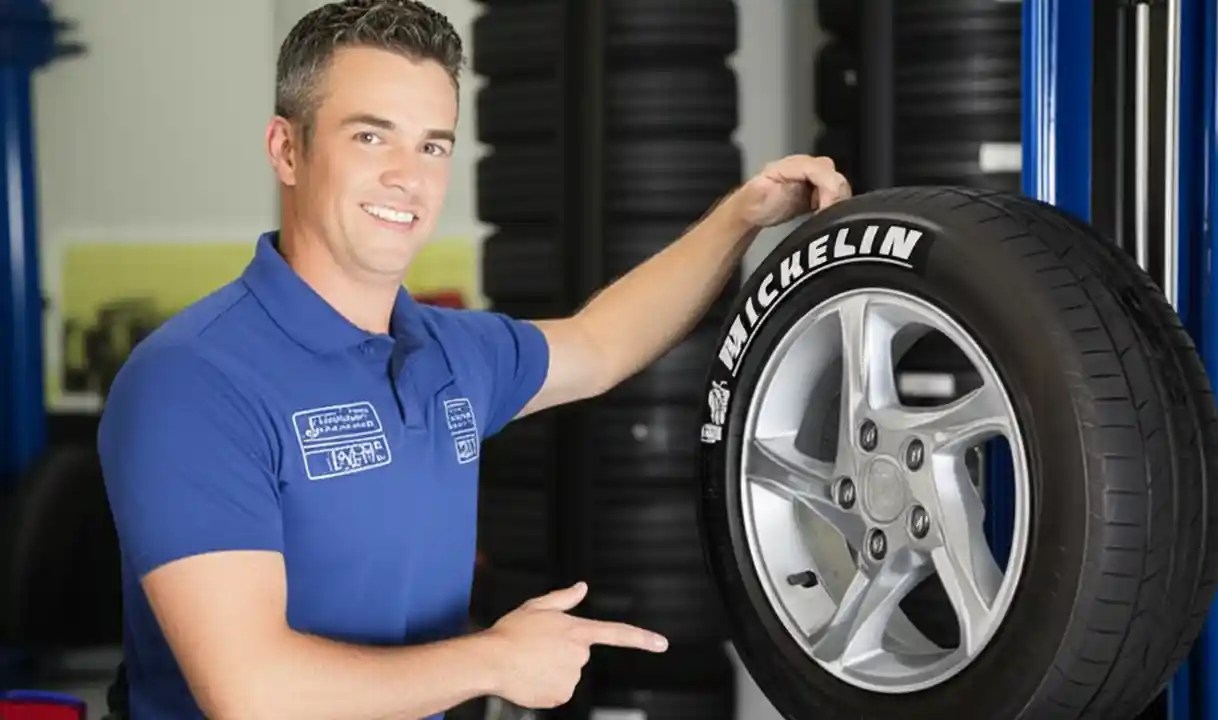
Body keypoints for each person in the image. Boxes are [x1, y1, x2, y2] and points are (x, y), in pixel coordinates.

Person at [96, 1, 853, 718]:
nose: (408, 175)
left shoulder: (450, 353)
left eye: (433, 144)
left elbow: (601, 344)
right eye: (370, 136)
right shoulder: (193, 381)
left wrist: (740, 219)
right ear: (286, 150)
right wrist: (493, 662)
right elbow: (248, 690)